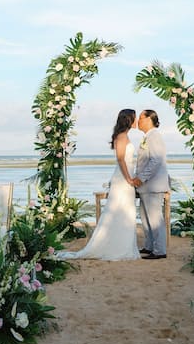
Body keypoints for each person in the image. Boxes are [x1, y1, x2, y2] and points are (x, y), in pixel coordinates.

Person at [60, 109, 140, 260]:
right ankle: (117, 247)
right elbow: (121, 159)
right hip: (122, 179)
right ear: (129, 119)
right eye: (135, 118)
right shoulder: (122, 136)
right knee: (121, 210)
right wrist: (129, 179)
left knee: (125, 211)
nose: (136, 121)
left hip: (125, 176)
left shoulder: (124, 135)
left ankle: (121, 245)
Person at [132, 109, 169, 259]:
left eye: (141, 118)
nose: (138, 121)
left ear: (149, 119)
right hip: (145, 187)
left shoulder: (154, 136)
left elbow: (156, 160)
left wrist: (141, 178)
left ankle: (159, 250)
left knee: (155, 219)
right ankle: (149, 246)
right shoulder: (147, 137)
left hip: (153, 185)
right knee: (145, 218)